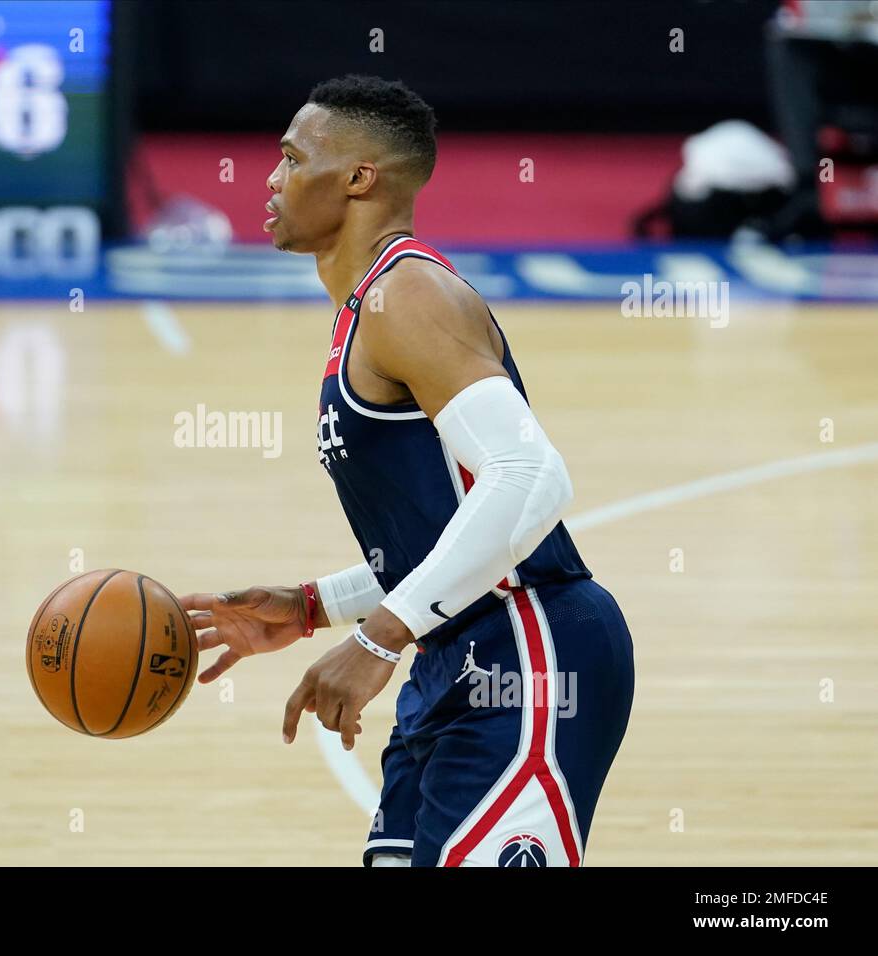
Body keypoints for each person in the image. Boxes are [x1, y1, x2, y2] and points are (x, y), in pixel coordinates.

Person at [179, 75, 634, 867]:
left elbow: (530, 478)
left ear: (359, 178)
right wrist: (315, 604)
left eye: (291, 158)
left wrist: (380, 637)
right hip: (452, 660)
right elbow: (447, 519)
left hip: (529, 652)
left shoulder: (410, 294)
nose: (271, 178)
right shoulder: (365, 308)